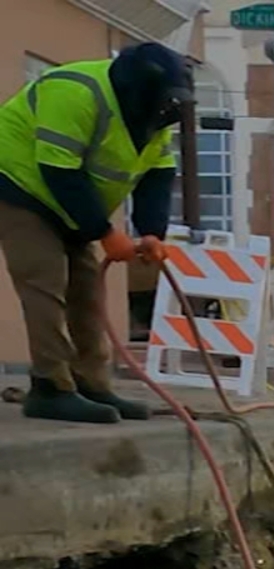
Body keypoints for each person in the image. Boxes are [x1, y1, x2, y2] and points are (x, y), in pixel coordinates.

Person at [0, 43, 193, 423]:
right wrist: (104, 232)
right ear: (138, 90)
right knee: (44, 279)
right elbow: (59, 171)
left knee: (86, 288)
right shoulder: (75, 92)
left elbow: (157, 174)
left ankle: (91, 384)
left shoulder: (152, 117)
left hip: (67, 201)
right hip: (16, 185)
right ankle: (50, 388)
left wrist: (152, 232)